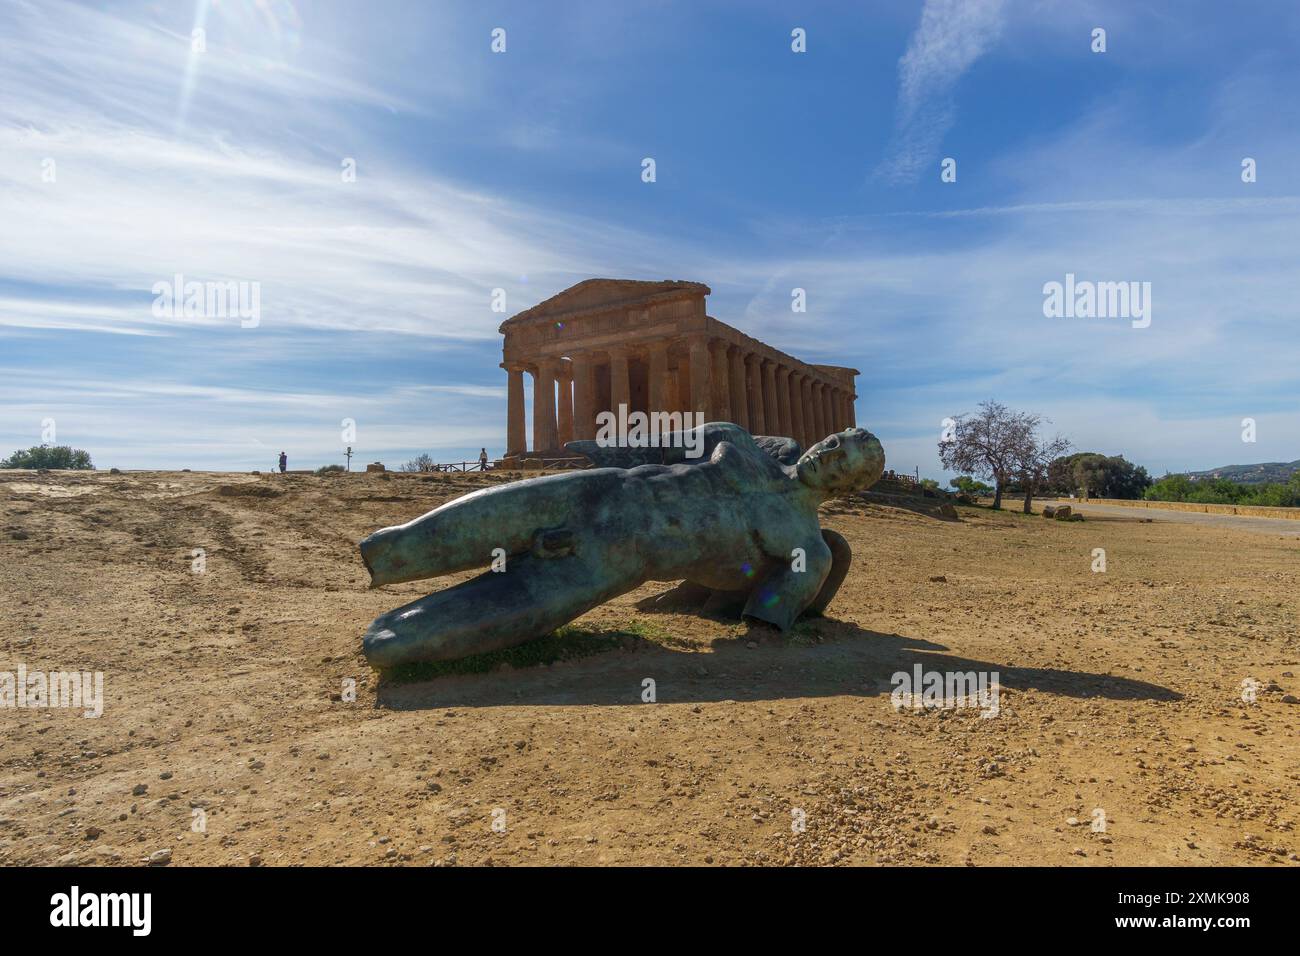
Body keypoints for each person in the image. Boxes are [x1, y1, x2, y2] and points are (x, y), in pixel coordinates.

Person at [358, 424, 884, 668]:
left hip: (617, 558)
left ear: (849, 488)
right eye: (834, 445)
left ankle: (397, 639)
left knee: (392, 642)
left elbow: (764, 624)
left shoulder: (808, 550)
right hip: (600, 490)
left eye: (844, 464)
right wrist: (601, 450)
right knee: (398, 546)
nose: (828, 457)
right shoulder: (740, 443)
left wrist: (761, 610)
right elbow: (657, 445)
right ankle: (389, 560)